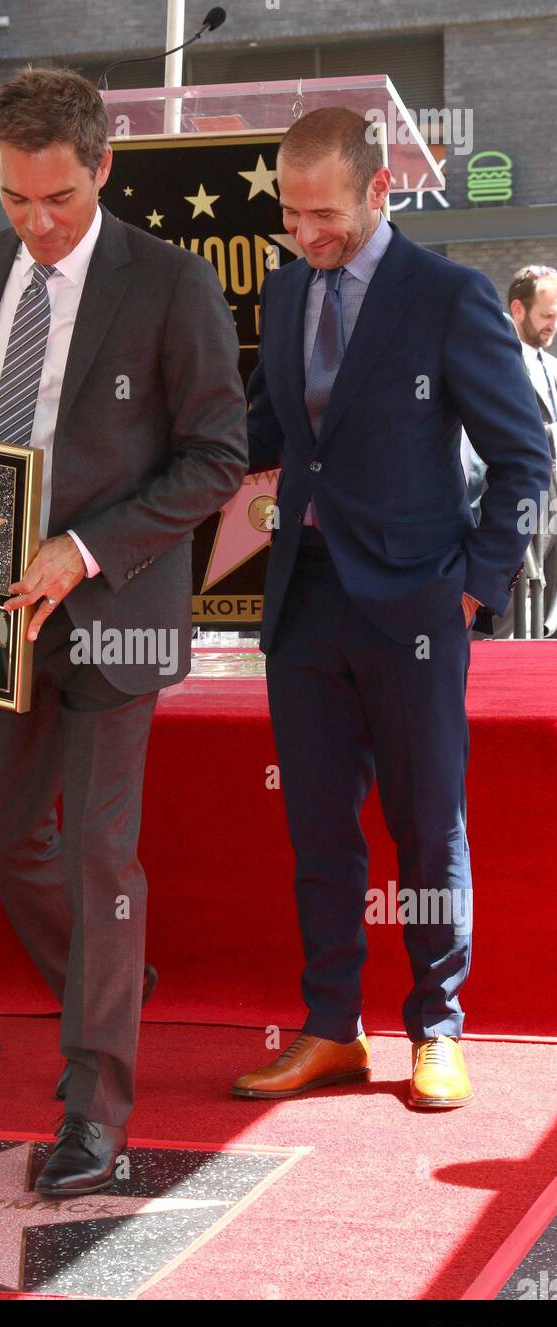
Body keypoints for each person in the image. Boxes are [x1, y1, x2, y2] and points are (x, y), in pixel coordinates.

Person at [0, 67, 248, 1195]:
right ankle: (111, 984)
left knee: (95, 856)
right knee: (2, 839)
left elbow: (216, 459)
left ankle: (95, 1110)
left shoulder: (173, 284)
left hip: (111, 615)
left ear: (103, 169)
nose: (35, 226)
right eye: (14, 199)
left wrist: (81, 551)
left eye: (59, 202)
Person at [235, 108, 552, 1110]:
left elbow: (524, 459)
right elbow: (259, 434)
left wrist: (471, 584)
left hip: (414, 601)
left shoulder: (448, 296)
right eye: (288, 212)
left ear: (379, 191)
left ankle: (437, 1025)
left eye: (322, 211)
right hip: (303, 596)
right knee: (318, 828)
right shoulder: (282, 292)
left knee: (426, 824)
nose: (303, 233)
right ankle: (330, 1028)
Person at [466, 265, 557, 636]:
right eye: (547, 315)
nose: (553, 324)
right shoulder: (497, 360)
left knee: (544, 593)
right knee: (512, 601)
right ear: (518, 310)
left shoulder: (551, 364)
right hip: (513, 497)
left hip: (551, 501)